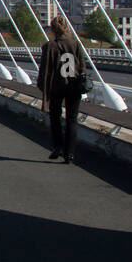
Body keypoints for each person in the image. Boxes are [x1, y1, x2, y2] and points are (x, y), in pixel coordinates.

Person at [36, 14, 86, 164]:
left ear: (53, 29)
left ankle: (58, 145)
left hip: (56, 86)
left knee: (55, 117)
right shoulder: (76, 44)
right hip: (74, 86)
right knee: (72, 120)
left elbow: (44, 69)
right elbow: (82, 66)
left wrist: (42, 85)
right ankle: (69, 153)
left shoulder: (49, 46)